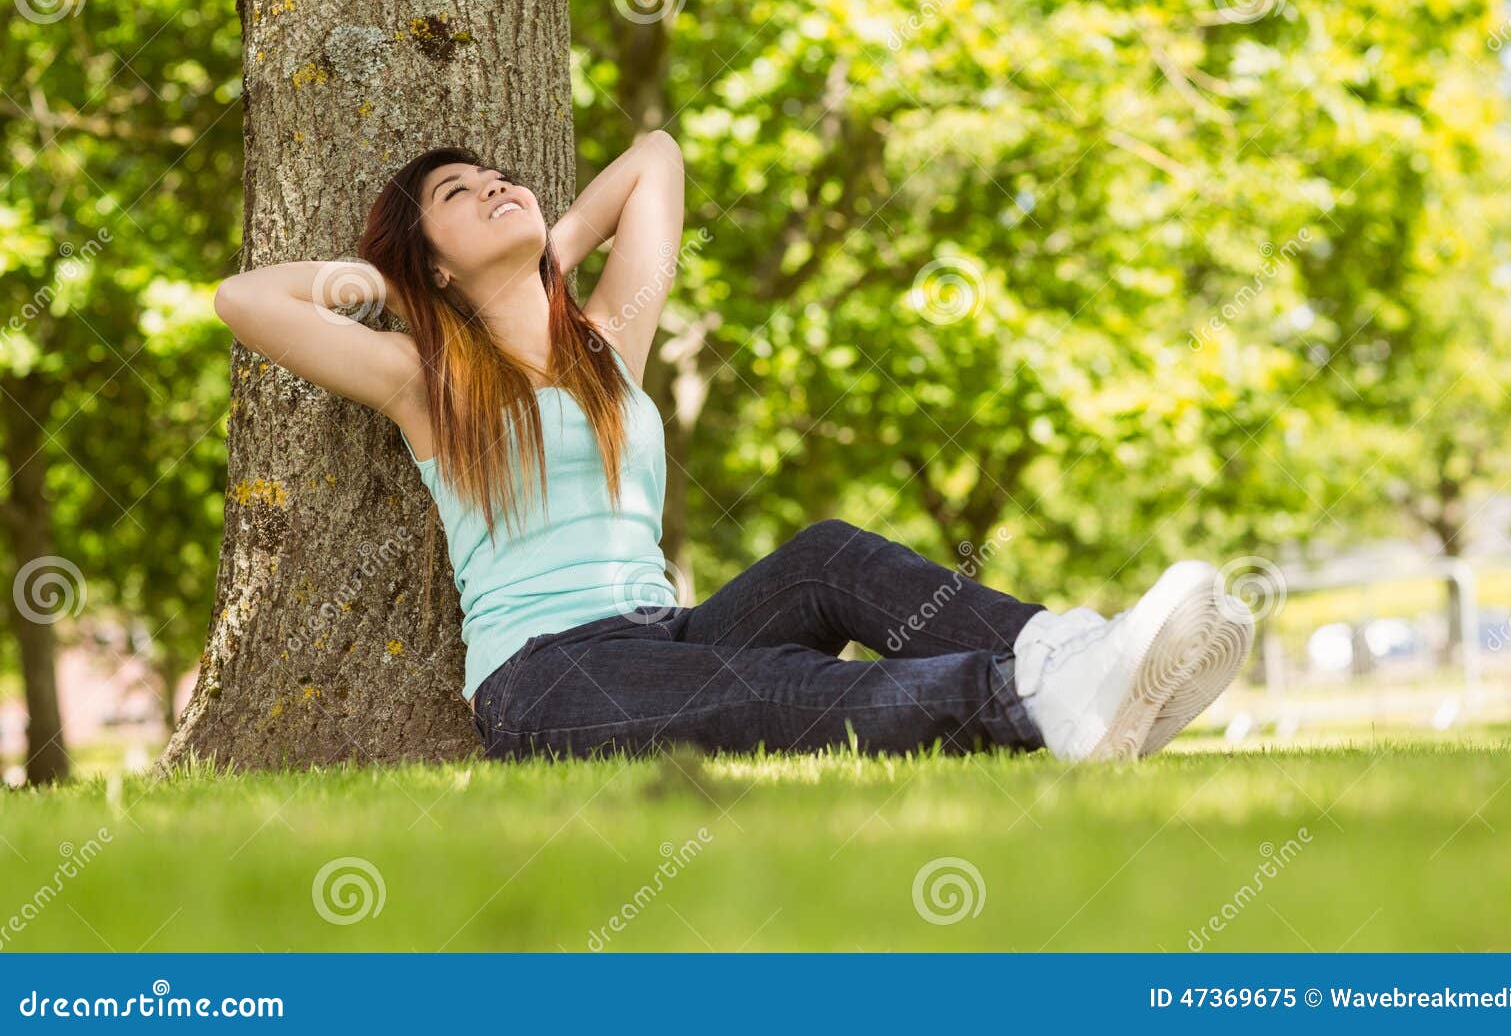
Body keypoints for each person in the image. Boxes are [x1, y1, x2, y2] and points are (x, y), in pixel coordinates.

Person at [212, 131, 1252, 764]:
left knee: (828, 553)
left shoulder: (605, 347)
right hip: (548, 677)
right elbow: (243, 300)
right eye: (457, 196)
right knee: (788, 696)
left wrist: (546, 248)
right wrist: (403, 289)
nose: (492, 186)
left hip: (669, 630)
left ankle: (1067, 656)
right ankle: (1039, 700)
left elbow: (653, 158)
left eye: (498, 176)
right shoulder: (426, 382)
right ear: (430, 263)